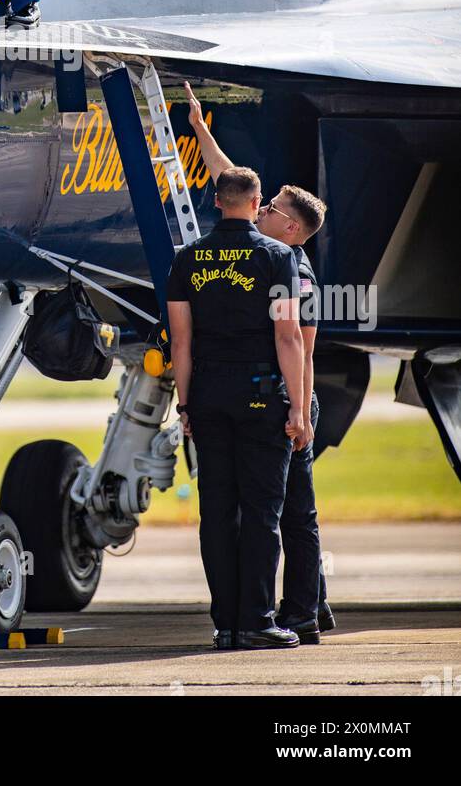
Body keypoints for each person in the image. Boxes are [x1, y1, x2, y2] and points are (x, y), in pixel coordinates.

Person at [182, 80, 333, 640]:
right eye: (261, 204)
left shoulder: (295, 270)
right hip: (271, 393)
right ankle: (296, 610)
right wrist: (200, 128)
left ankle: (301, 612)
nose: (261, 210)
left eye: (271, 209)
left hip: (291, 395)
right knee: (276, 511)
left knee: (295, 514)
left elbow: (303, 348)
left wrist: (301, 414)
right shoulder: (268, 255)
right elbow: (235, 187)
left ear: (289, 228)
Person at [166, 165, 304, 651]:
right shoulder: (277, 256)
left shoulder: (185, 260)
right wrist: (299, 409)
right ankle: (258, 620)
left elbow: (180, 344)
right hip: (261, 394)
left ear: (217, 201)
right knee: (262, 512)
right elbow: (287, 336)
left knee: (218, 512)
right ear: (255, 201)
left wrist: (185, 405)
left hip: (207, 395)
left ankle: (225, 623)